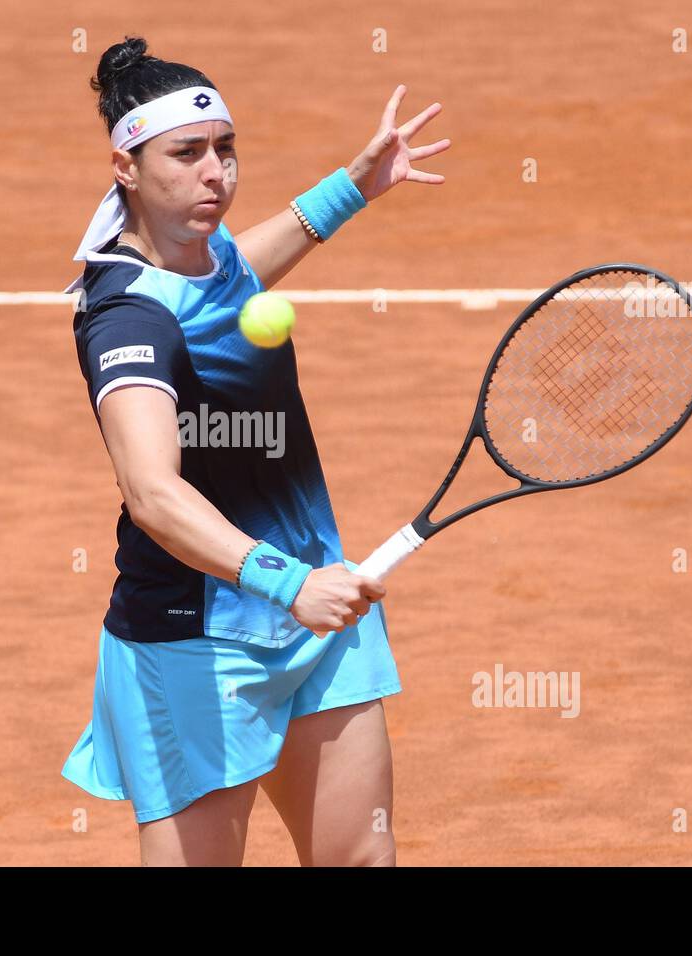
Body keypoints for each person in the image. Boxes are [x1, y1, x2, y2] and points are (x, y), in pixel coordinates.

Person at [61, 36, 450, 866]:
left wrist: (353, 188)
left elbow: (239, 269)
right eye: (188, 154)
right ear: (125, 167)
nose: (216, 174)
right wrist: (287, 583)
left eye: (226, 151)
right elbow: (153, 495)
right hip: (196, 640)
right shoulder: (128, 318)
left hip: (317, 610)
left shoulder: (203, 258)